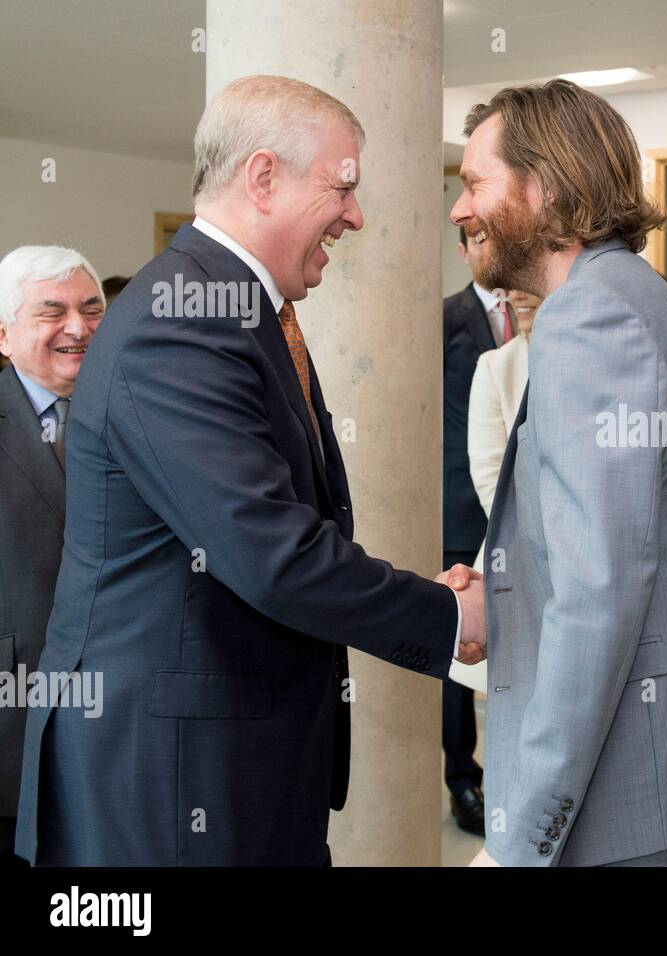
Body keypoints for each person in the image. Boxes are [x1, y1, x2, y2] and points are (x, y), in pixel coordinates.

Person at [15, 75, 484, 867]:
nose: (356, 214)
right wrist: (445, 616)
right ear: (263, 177)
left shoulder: (234, 309)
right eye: (342, 185)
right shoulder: (180, 323)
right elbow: (273, 553)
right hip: (171, 780)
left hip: (230, 756)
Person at [449, 79, 667, 867]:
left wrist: (522, 835)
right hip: (652, 749)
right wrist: (505, 590)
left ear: (546, 186)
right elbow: (617, 542)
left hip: (625, 770)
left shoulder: (589, 316)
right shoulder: (632, 293)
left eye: (473, 185)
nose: (460, 212)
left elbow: (600, 589)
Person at [0, 245, 104, 867]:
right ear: (4, 333)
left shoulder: (137, 410)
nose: (78, 328)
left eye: (92, 309)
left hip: (116, 722)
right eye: (53, 312)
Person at [440, 225, 537, 836]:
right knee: (461, 655)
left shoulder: (552, 319)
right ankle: (462, 778)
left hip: (530, 529)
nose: (485, 247)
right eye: (474, 238)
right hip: (461, 512)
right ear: (463, 250)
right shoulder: (444, 320)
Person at [467, 288, 536, 527]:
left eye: (529, 280)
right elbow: (490, 476)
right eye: (513, 284)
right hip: (518, 543)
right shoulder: (494, 366)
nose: (516, 295)